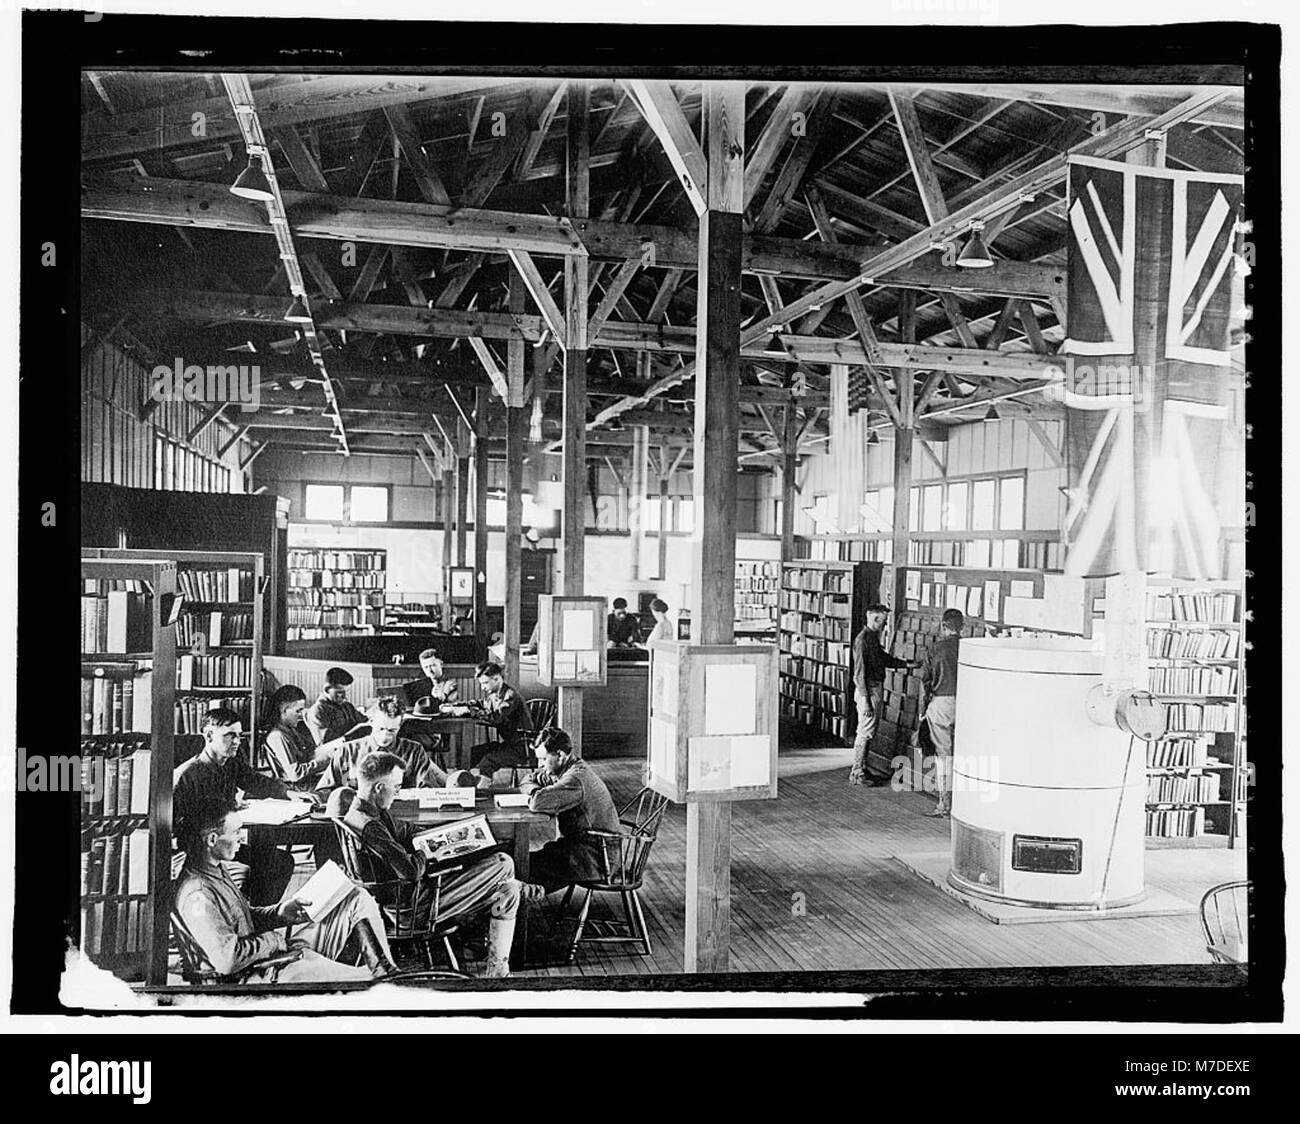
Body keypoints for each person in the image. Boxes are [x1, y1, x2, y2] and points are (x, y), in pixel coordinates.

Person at [173, 797, 397, 983]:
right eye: (236, 832)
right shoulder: (197, 894)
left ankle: (385, 968)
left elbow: (242, 919)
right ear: (212, 839)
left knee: (354, 897)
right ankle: (381, 980)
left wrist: (280, 912)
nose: (241, 839)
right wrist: (272, 941)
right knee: (364, 982)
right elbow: (227, 960)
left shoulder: (216, 870)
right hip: (256, 976)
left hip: (270, 956)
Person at [341, 751, 521, 978]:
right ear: (378, 788)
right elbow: (412, 871)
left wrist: (444, 834)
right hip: (411, 911)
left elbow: (406, 830)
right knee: (504, 863)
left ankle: (498, 974)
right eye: (396, 787)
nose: (397, 793)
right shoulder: (371, 826)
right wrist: (424, 850)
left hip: (408, 899)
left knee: (509, 890)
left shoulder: (364, 812)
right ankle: (498, 973)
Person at [173, 707, 306, 906]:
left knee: (278, 860)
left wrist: (289, 793)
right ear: (209, 735)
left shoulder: (230, 764)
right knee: (270, 862)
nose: (237, 741)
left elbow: (257, 781)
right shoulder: (186, 775)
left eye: (239, 736)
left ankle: (252, 912)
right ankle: (243, 910)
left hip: (223, 842)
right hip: (198, 852)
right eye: (230, 736)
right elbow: (174, 830)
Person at [517, 728, 621, 900]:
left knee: (523, 867)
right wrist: (536, 790)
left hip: (596, 858)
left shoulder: (575, 779)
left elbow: (537, 803)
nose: (540, 765)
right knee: (527, 862)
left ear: (560, 755)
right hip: (581, 847)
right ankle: (524, 897)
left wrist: (535, 794)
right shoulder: (564, 769)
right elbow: (529, 778)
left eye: (543, 759)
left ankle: (515, 909)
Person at [849, 603, 919, 786]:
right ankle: (857, 772)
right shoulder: (864, 640)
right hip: (869, 691)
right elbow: (859, 673)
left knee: (868, 731)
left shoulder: (871, 638)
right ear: (875, 618)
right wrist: (866, 701)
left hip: (872, 689)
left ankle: (861, 769)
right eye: (884, 620)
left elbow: (883, 659)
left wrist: (907, 665)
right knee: (865, 731)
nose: (885, 624)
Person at [324, 697, 447, 791]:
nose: (385, 737)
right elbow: (325, 790)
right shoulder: (347, 751)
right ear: (371, 722)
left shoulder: (414, 751)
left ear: (400, 726)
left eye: (392, 730)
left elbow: (427, 789)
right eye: (381, 729)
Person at [445, 661, 534, 781]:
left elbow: (496, 717)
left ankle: (482, 791)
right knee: (470, 754)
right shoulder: (495, 694)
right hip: (509, 744)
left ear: (497, 678)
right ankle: (463, 786)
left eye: (485, 683)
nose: (483, 687)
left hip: (523, 748)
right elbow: (481, 704)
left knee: (488, 760)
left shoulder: (510, 696)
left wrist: (468, 710)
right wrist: (456, 705)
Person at [918, 609, 963, 817]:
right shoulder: (969, 647)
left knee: (944, 756)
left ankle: (945, 804)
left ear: (944, 626)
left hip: (942, 703)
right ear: (961, 626)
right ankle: (964, 804)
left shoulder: (935, 648)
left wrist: (922, 711)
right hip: (967, 703)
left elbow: (925, 682)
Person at [263, 684, 335, 792]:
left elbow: (311, 753)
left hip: (307, 781)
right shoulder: (277, 736)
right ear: (283, 710)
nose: (301, 715)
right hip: (297, 787)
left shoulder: (292, 730)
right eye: (298, 711)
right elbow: (295, 774)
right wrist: (327, 759)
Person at [304, 667, 367, 747]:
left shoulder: (347, 706)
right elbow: (326, 743)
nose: (344, 696)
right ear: (327, 690)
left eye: (345, 692)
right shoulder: (317, 711)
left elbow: (364, 722)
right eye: (339, 692)